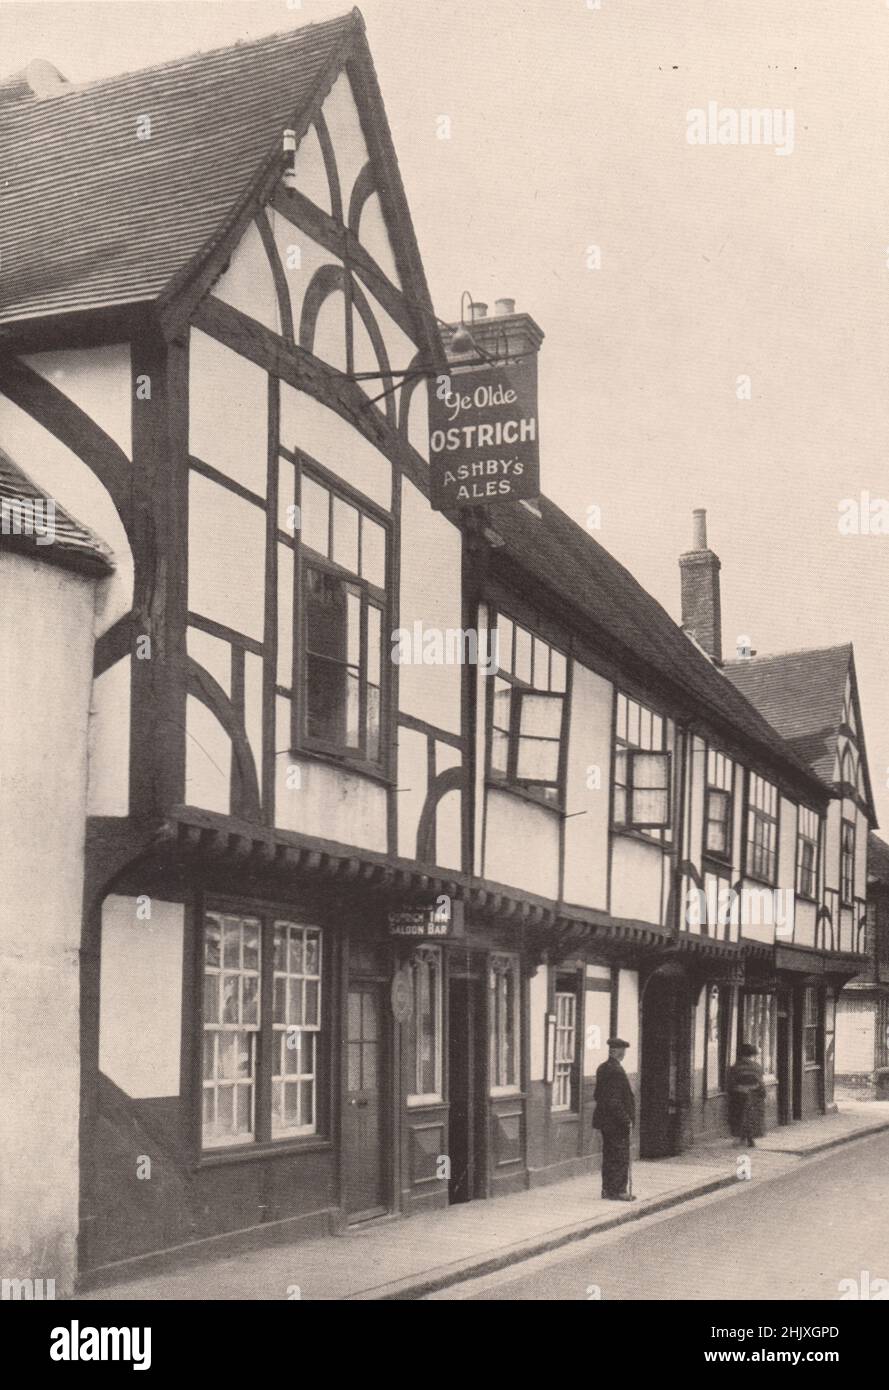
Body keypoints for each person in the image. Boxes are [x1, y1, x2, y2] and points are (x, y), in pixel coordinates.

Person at [592, 1037, 637, 1201]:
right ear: (616, 1051)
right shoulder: (616, 1071)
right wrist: (626, 1120)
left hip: (605, 1122)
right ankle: (619, 1191)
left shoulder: (602, 1068)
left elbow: (597, 1095)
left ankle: (607, 1190)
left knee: (609, 1155)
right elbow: (615, 1101)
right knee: (620, 1156)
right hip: (616, 1123)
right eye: (622, 1050)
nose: (623, 1053)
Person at [727, 1042, 766, 1147]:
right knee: (751, 1116)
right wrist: (761, 1093)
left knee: (739, 1116)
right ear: (752, 1055)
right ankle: (750, 1138)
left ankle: (739, 1137)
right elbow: (761, 1083)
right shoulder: (757, 1067)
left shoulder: (736, 1067)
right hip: (754, 1095)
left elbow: (731, 1082)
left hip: (739, 1094)